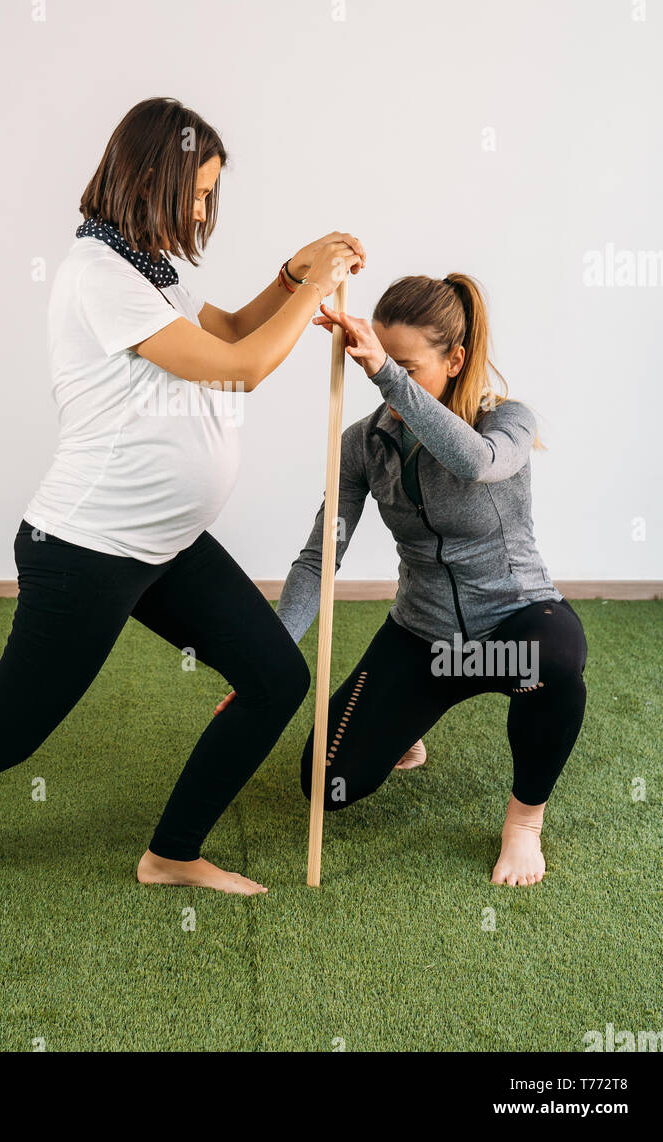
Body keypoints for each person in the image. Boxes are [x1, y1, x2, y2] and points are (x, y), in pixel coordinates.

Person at [0, 95, 364, 917]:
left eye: (210, 195)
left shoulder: (151, 267)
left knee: (274, 676)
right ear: (151, 178)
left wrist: (290, 277)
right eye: (196, 193)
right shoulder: (99, 276)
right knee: (2, 738)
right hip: (87, 549)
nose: (203, 211)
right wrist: (317, 286)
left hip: (163, 541)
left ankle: (171, 855)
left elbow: (232, 328)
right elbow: (242, 367)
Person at [217, 272, 588, 887]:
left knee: (554, 660)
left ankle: (524, 822)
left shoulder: (508, 422)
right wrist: (271, 653)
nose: (390, 387)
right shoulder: (363, 444)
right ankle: (408, 730)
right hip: (427, 644)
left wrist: (383, 371)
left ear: (456, 359)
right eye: (383, 367)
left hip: (513, 628)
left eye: (406, 368)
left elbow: (474, 462)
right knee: (325, 782)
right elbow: (319, 559)